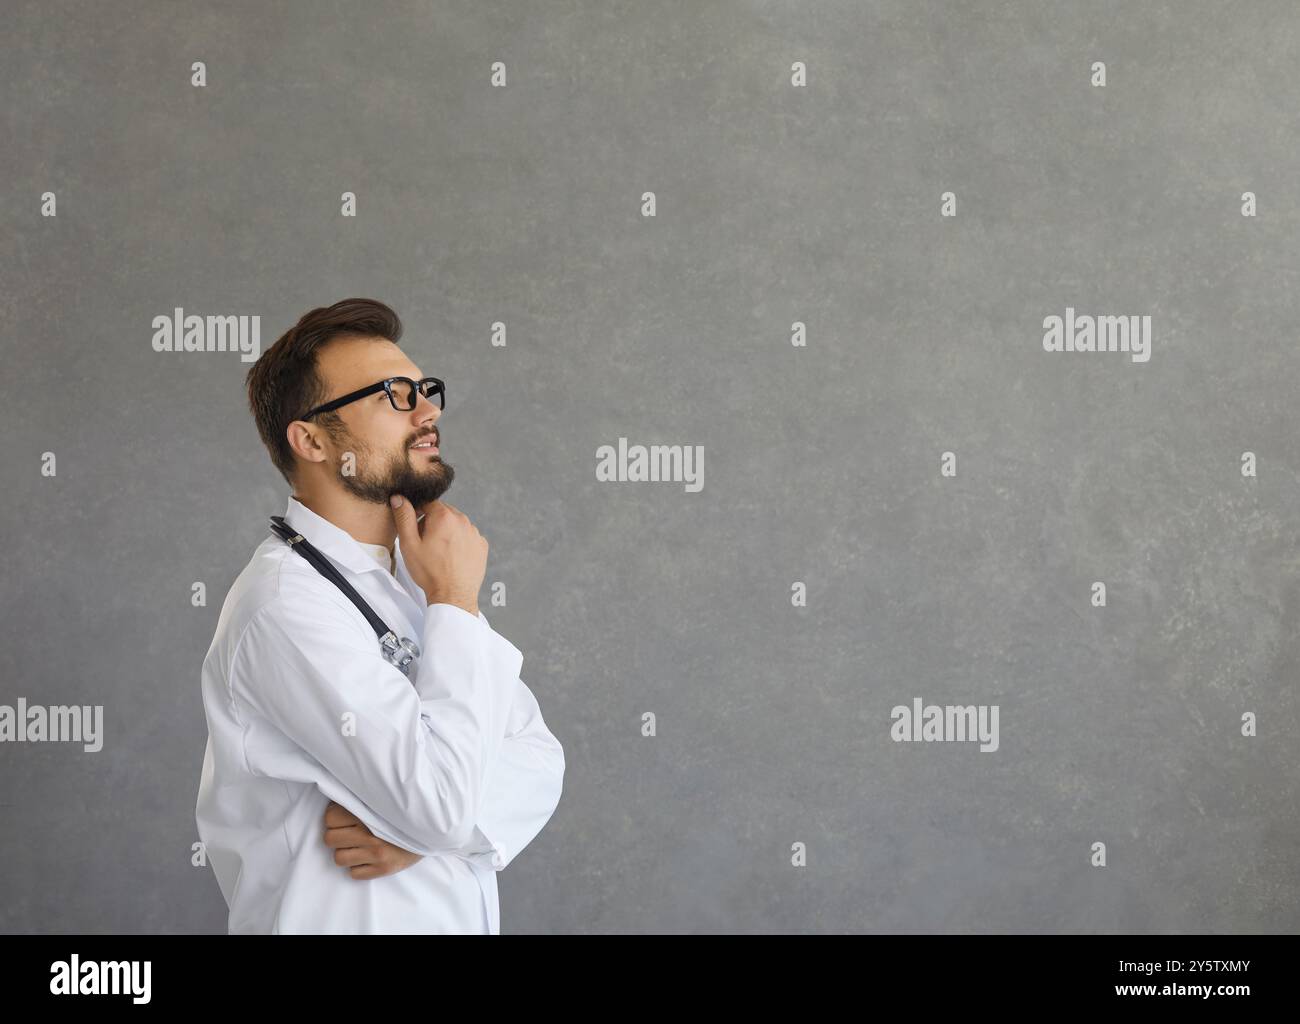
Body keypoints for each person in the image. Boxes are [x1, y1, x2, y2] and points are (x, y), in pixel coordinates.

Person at [194, 297, 564, 934]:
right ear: (310, 438)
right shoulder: (287, 606)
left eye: (424, 389)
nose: (428, 411)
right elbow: (441, 801)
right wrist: (455, 600)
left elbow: (538, 756)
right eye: (393, 395)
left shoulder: (411, 580)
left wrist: (423, 834)